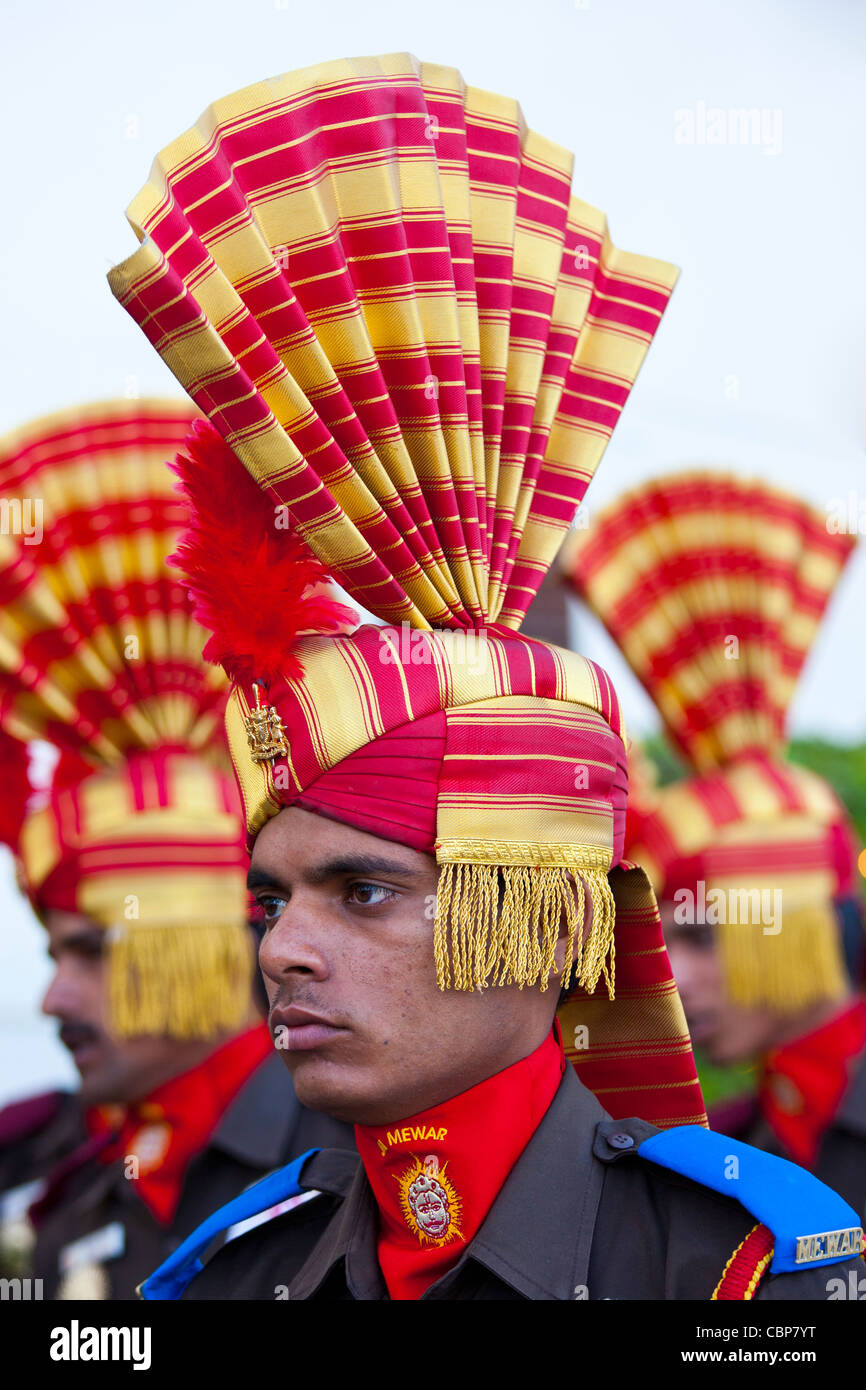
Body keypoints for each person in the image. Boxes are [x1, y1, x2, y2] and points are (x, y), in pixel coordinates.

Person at [108, 54, 862, 1300]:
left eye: (359, 891)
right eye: (268, 898)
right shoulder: (225, 1275)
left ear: (542, 913)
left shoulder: (746, 1276)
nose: (283, 948)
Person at [0, 400, 352, 1299]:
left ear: (207, 937)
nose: (52, 998)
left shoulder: (355, 1168)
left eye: (92, 949)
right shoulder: (70, 1182)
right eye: (55, 952)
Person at [563, 468, 866, 1222]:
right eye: (664, 939)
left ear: (793, 919)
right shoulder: (747, 1131)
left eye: (699, 935)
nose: (674, 980)